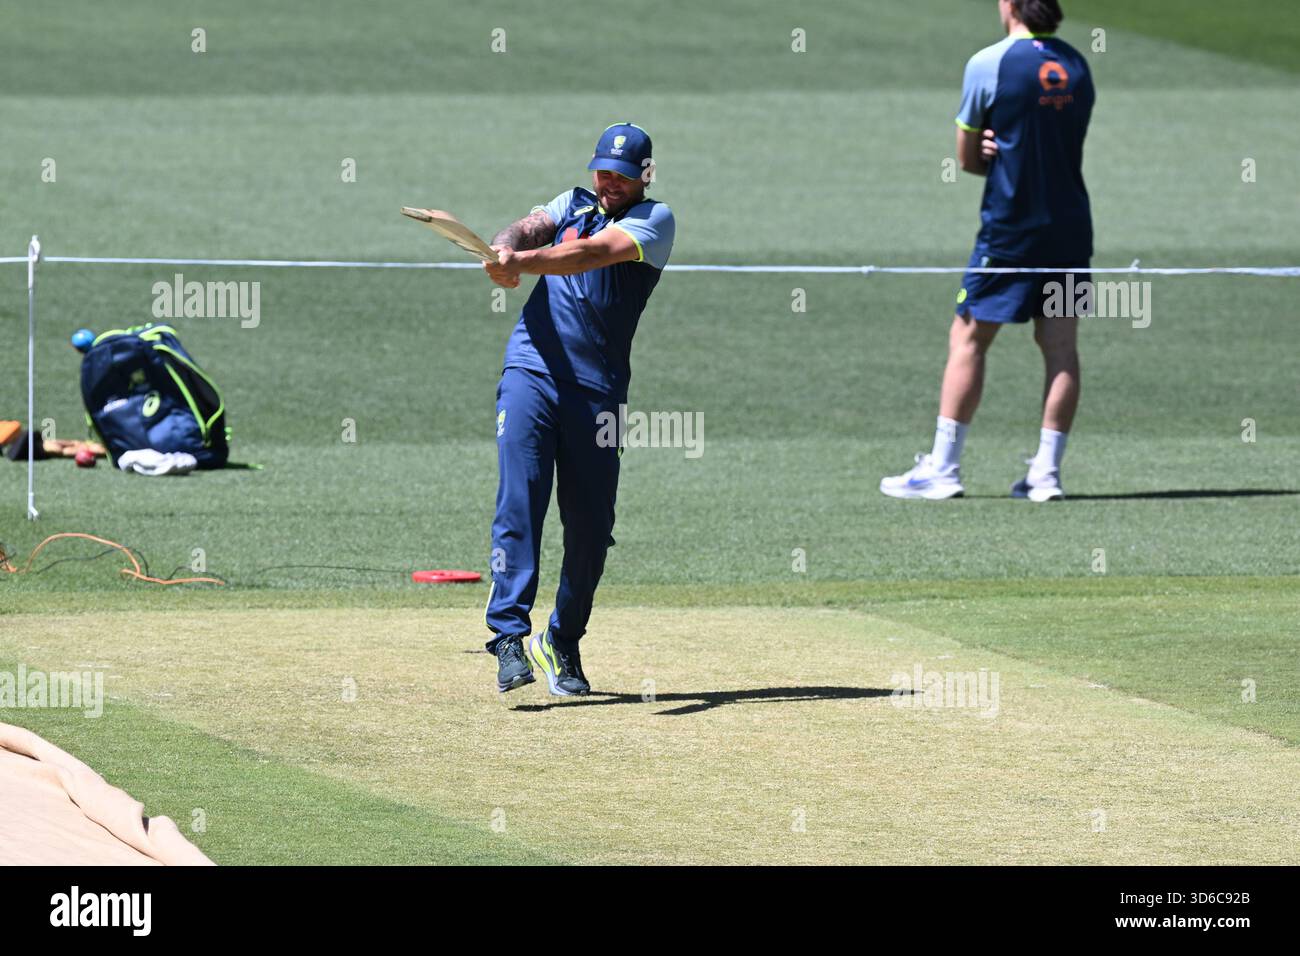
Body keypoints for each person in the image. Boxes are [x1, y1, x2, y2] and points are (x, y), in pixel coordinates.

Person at [481, 123, 675, 696]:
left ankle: (562, 640)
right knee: (520, 502)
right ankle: (508, 637)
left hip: (598, 392)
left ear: (644, 175)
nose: (608, 183)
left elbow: (586, 255)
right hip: (531, 372)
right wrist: (504, 247)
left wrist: (526, 261)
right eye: (602, 171)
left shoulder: (654, 222)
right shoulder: (573, 202)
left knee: (591, 529)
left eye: (620, 174)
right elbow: (527, 226)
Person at [880, 0, 1094, 502]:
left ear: (1011, 4)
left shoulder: (988, 62)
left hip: (1010, 229)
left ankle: (944, 469)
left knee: (969, 337)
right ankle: (1046, 474)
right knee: (1061, 346)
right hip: (1070, 227)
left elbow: (968, 157)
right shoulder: (1077, 64)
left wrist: (998, 148)